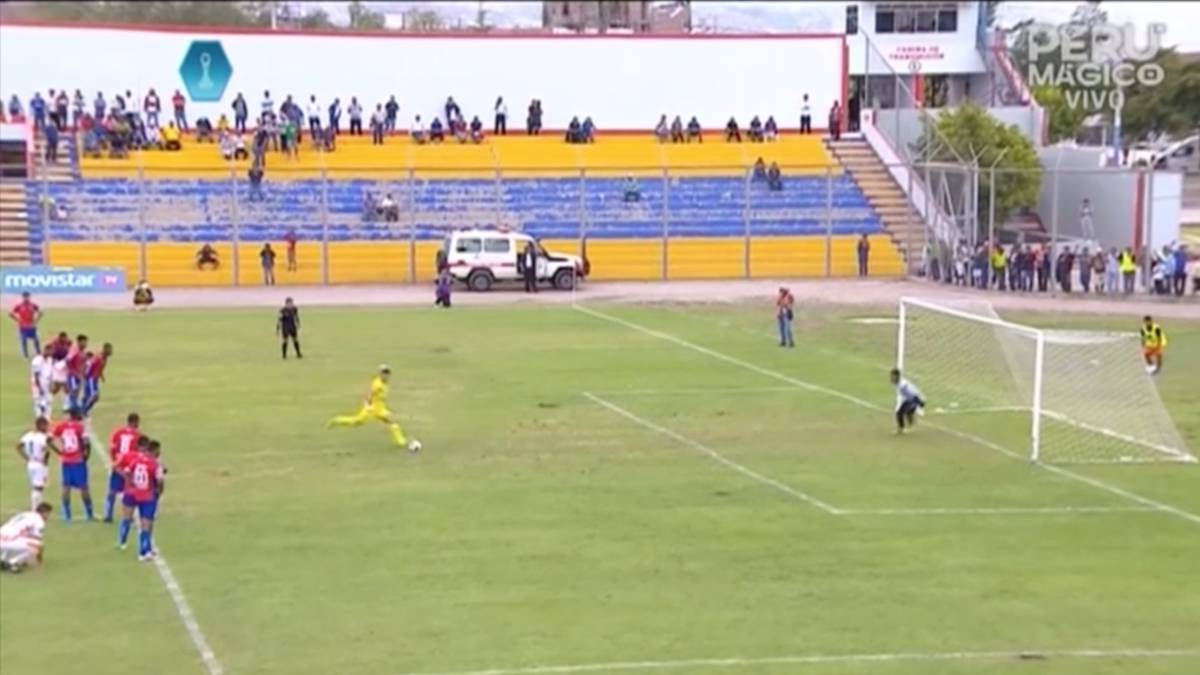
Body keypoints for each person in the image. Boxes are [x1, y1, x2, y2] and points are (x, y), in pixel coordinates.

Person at [327, 365, 418, 450]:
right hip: (372, 409)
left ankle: (401, 442)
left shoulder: (384, 383)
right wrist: (368, 405)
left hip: (380, 409)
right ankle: (337, 420)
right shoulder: (377, 384)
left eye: (387, 373)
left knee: (391, 421)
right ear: (380, 374)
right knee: (356, 422)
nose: (386, 375)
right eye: (384, 373)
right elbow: (369, 394)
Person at [115, 437, 165, 561]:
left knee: (127, 517)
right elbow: (160, 481)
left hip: (131, 493)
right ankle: (143, 552)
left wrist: (130, 482)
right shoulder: (155, 464)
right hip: (147, 496)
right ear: (154, 451)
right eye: (158, 451)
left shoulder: (135, 460)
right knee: (146, 524)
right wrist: (159, 492)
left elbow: (126, 472)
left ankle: (122, 542)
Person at [52, 409, 93, 522]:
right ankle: (89, 513)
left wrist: (59, 452)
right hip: (78, 460)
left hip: (66, 460)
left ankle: (67, 514)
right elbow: (86, 443)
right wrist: (86, 456)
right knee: (84, 487)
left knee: (66, 486)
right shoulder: (80, 427)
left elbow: (49, 440)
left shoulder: (61, 426)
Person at [105, 414, 142, 522]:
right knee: (130, 491)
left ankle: (108, 514)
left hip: (119, 464)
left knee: (112, 490)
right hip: (130, 466)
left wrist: (114, 462)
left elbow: (112, 449)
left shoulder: (118, 433)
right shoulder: (138, 435)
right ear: (134, 422)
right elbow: (139, 452)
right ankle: (129, 516)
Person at [0, 503, 53, 573]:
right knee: (38, 545)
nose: (49, 516)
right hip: (8, 541)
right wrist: (40, 561)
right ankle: (13, 563)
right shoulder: (39, 521)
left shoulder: (26, 514)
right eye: (48, 514)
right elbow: (38, 542)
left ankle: (3, 559)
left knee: (20, 538)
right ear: (44, 513)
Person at [16, 417, 56, 511]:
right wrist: (46, 459)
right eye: (46, 425)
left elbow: (19, 446)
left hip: (31, 464)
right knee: (38, 487)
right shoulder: (43, 437)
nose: (47, 427)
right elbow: (48, 449)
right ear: (41, 425)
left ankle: (38, 505)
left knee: (37, 486)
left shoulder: (28, 435)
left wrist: (27, 458)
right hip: (39, 464)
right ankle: (35, 508)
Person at [890, 368, 926, 434]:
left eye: (893, 376)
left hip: (917, 398)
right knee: (902, 413)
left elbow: (912, 394)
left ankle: (905, 427)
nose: (891, 378)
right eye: (891, 376)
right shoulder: (899, 383)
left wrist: (919, 404)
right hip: (911, 398)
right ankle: (904, 428)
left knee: (904, 412)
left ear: (897, 376)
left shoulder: (902, 386)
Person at [81, 342, 112, 416]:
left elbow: (100, 368)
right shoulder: (98, 357)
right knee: (94, 396)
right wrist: (85, 375)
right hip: (91, 379)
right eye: (109, 350)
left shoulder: (105, 358)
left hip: (95, 379)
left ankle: (83, 410)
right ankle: (83, 410)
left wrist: (102, 376)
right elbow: (89, 364)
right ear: (105, 349)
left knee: (89, 396)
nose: (111, 352)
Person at [9, 292, 42, 359]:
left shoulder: (33, 305)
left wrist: (36, 320)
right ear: (23, 297)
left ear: (29, 297)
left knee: (36, 340)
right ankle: (25, 355)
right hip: (23, 327)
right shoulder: (19, 306)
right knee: (23, 340)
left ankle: (39, 354)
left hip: (31, 326)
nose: (26, 298)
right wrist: (17, 320)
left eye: (27, 297)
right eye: (25, 297)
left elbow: (40, 312)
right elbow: (10, 313)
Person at [30, 344, 53, 419]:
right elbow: (36, 375)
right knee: (38, 402)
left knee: (48, 402)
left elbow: (50, 373)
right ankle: (39, 418)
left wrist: (50, 384)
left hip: (47, 383)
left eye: (51, 351)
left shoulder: (50, 360)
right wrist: (39, 388)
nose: (50, 353)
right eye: (49, 351)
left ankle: (47, 419)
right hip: (39, 384)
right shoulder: (37, 360)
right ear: (45, 350)